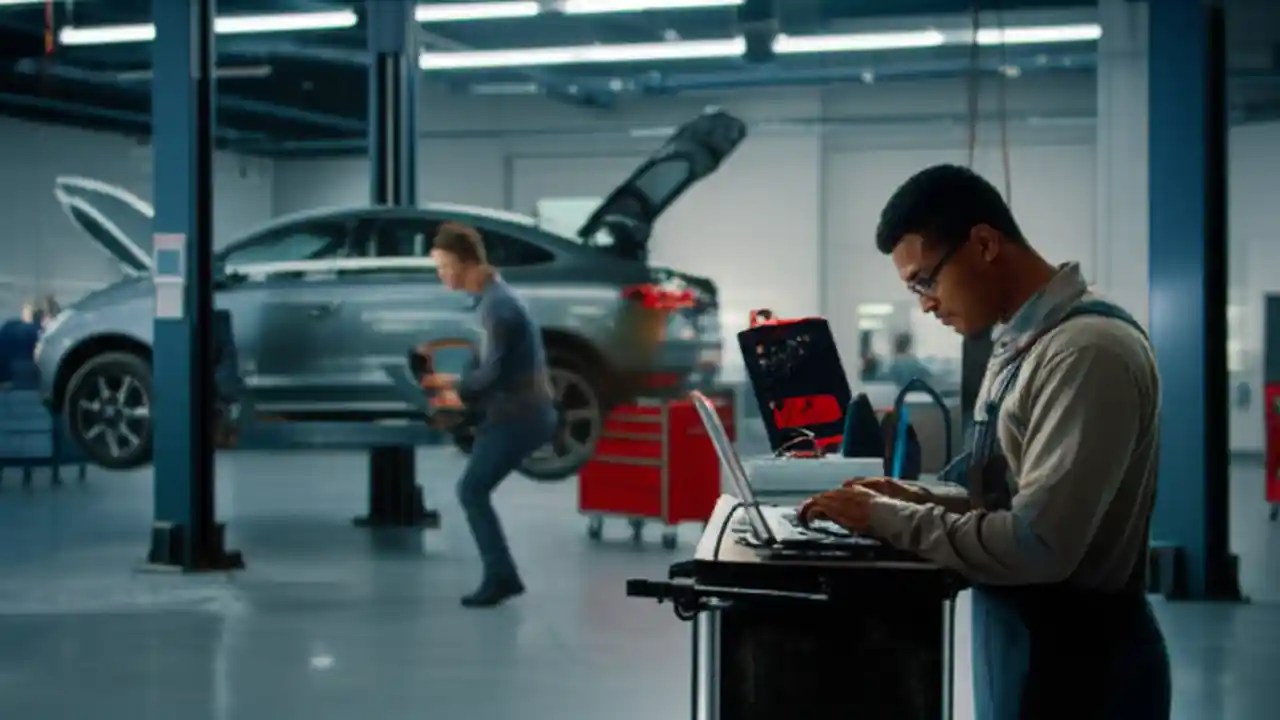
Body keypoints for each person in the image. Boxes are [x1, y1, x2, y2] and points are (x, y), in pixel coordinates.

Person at [799, 164, 1171, 719]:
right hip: (1027, 645)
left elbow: (1037, 543)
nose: (926, 304)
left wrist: (887, 518)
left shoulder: (1085, 352)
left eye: (925, 281)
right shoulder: (1021, 344)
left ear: (984, 244)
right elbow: (1003, 493)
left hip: (1083, 669)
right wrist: (910, 496)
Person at [422, 222, 557, 608]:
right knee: (473, 490)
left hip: (521, 417)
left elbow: (494, 372)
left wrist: (457, 391)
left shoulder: (499, 307)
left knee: (472, 491)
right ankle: (502, 575)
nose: (441, 274)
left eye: (445, 266)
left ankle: (501, 577)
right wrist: (457, 384)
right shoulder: (493, 298)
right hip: (518, 412)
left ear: (466, 263)